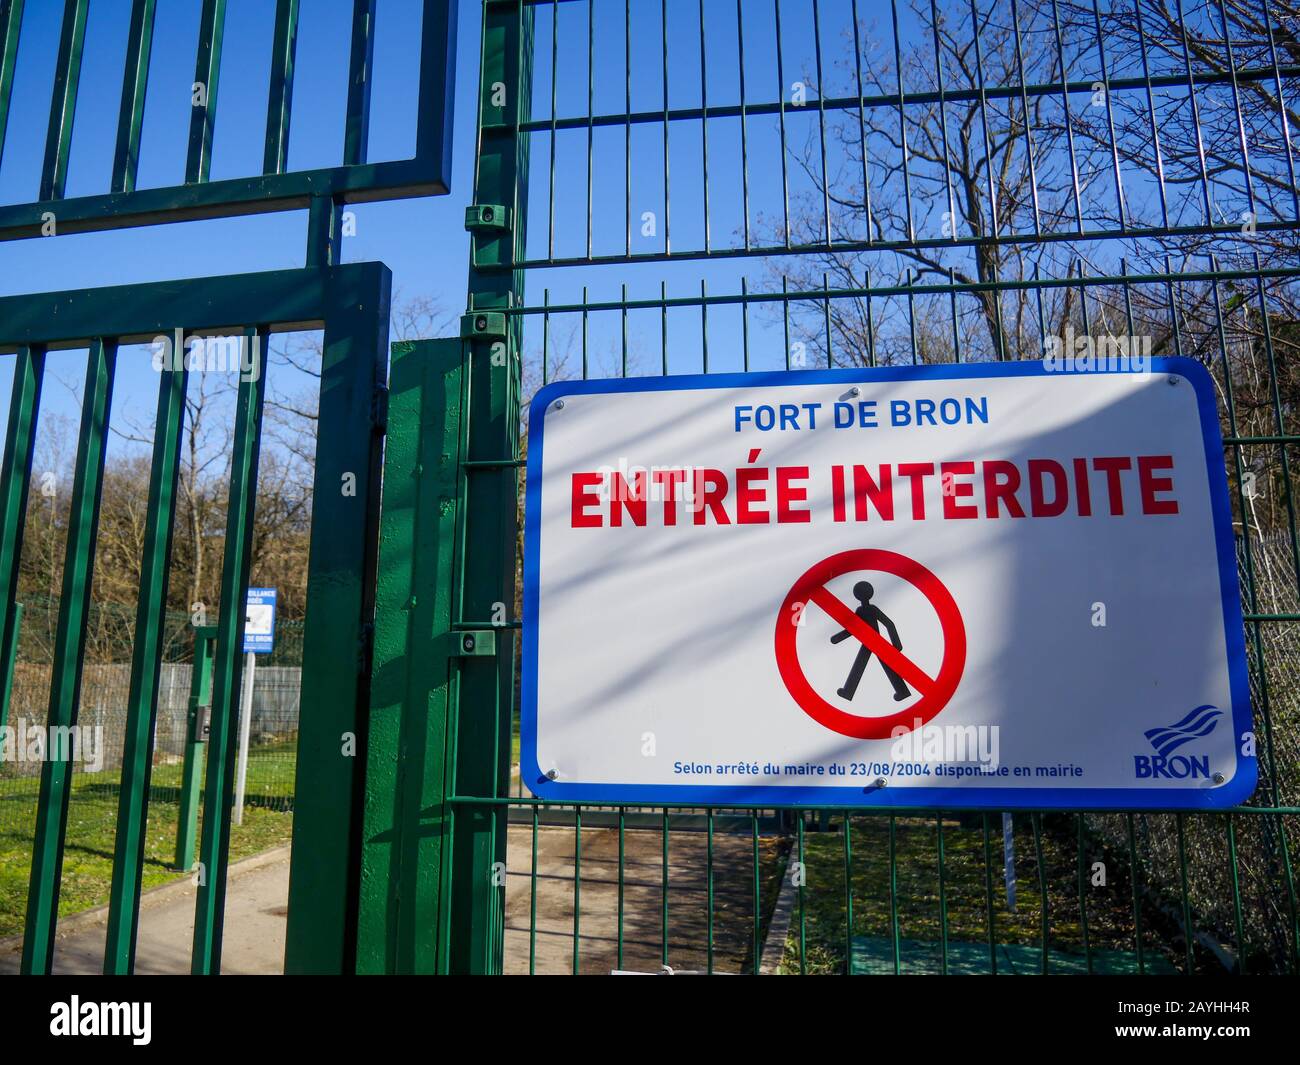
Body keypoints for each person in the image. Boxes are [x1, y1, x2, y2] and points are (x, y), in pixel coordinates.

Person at [830, 581, 911, 702]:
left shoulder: (866, 610)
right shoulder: (868, 609)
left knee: (860, 665)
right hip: (872, 642)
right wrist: (896, 644)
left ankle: (848, 691)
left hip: (874, 641)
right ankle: (902, 691)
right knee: (866, 665)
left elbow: (888, 624)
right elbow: (855, 628)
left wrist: (897, 645)